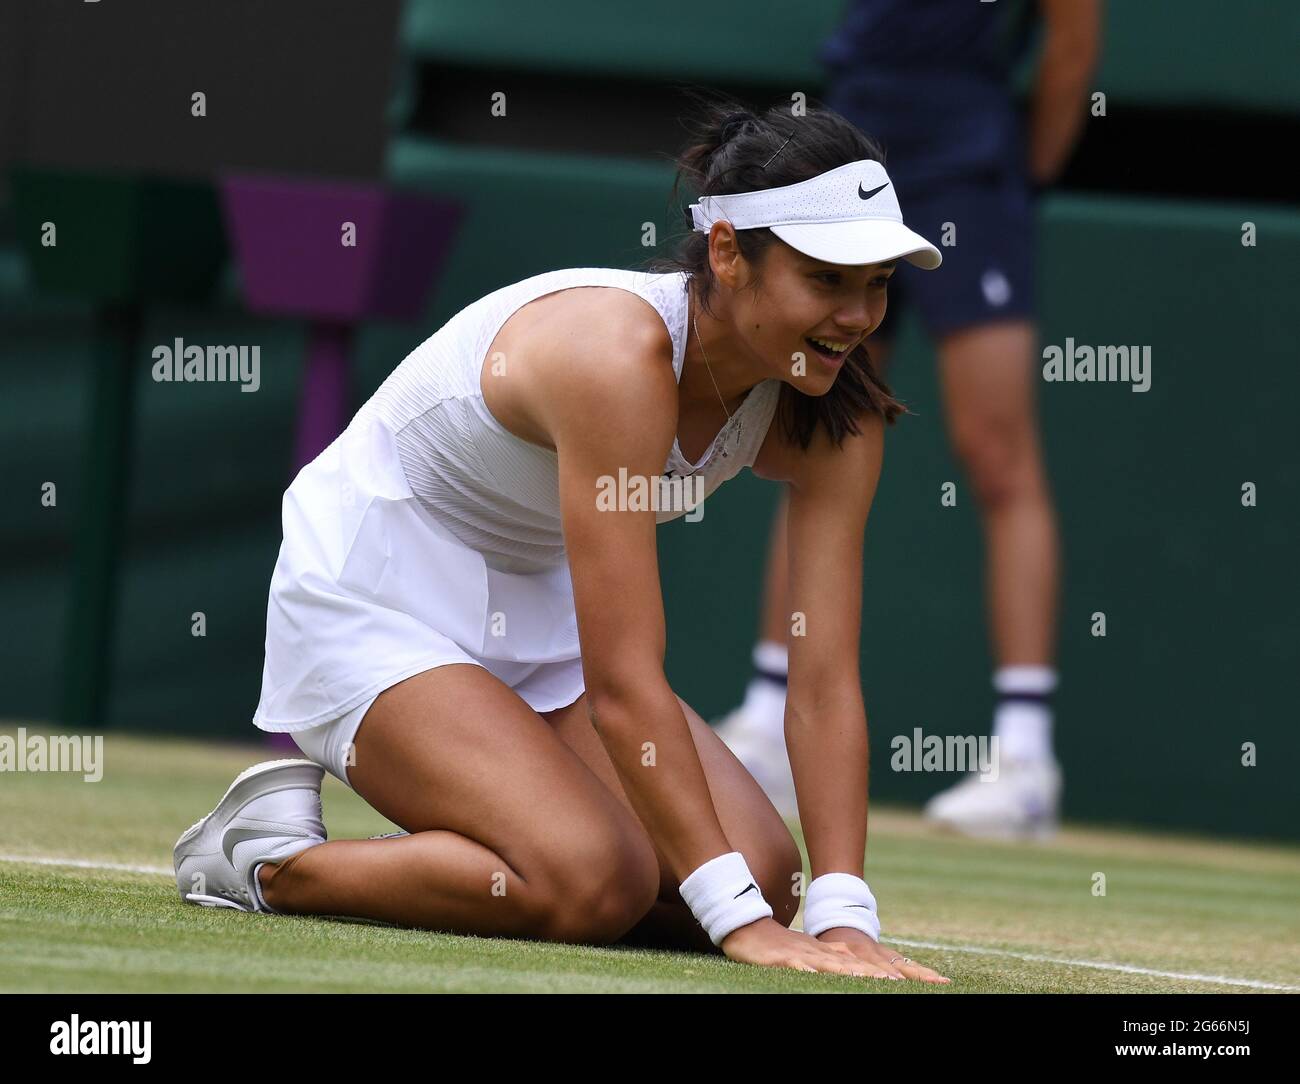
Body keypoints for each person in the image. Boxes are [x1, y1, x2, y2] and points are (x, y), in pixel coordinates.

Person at [173, 99, 950, 982]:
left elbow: (822, 678)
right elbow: (624, 683)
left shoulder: (838, 420)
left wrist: (842, 912)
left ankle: (492, 833)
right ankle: (263, 862)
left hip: (529, 615)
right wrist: (737, 928)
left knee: (767, 883)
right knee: (595, 882)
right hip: (373, 593)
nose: (856, 317)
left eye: (877, 283)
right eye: (826, 280)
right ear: (729, 253)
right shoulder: (612, 360)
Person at [715, 0, 1103, 840]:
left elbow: (1072, 50)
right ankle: (771, 718)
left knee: (997, 454)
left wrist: (1011, 179)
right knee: (814, 431)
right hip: (858, 140)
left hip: (971, 159)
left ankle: (1025, 760)